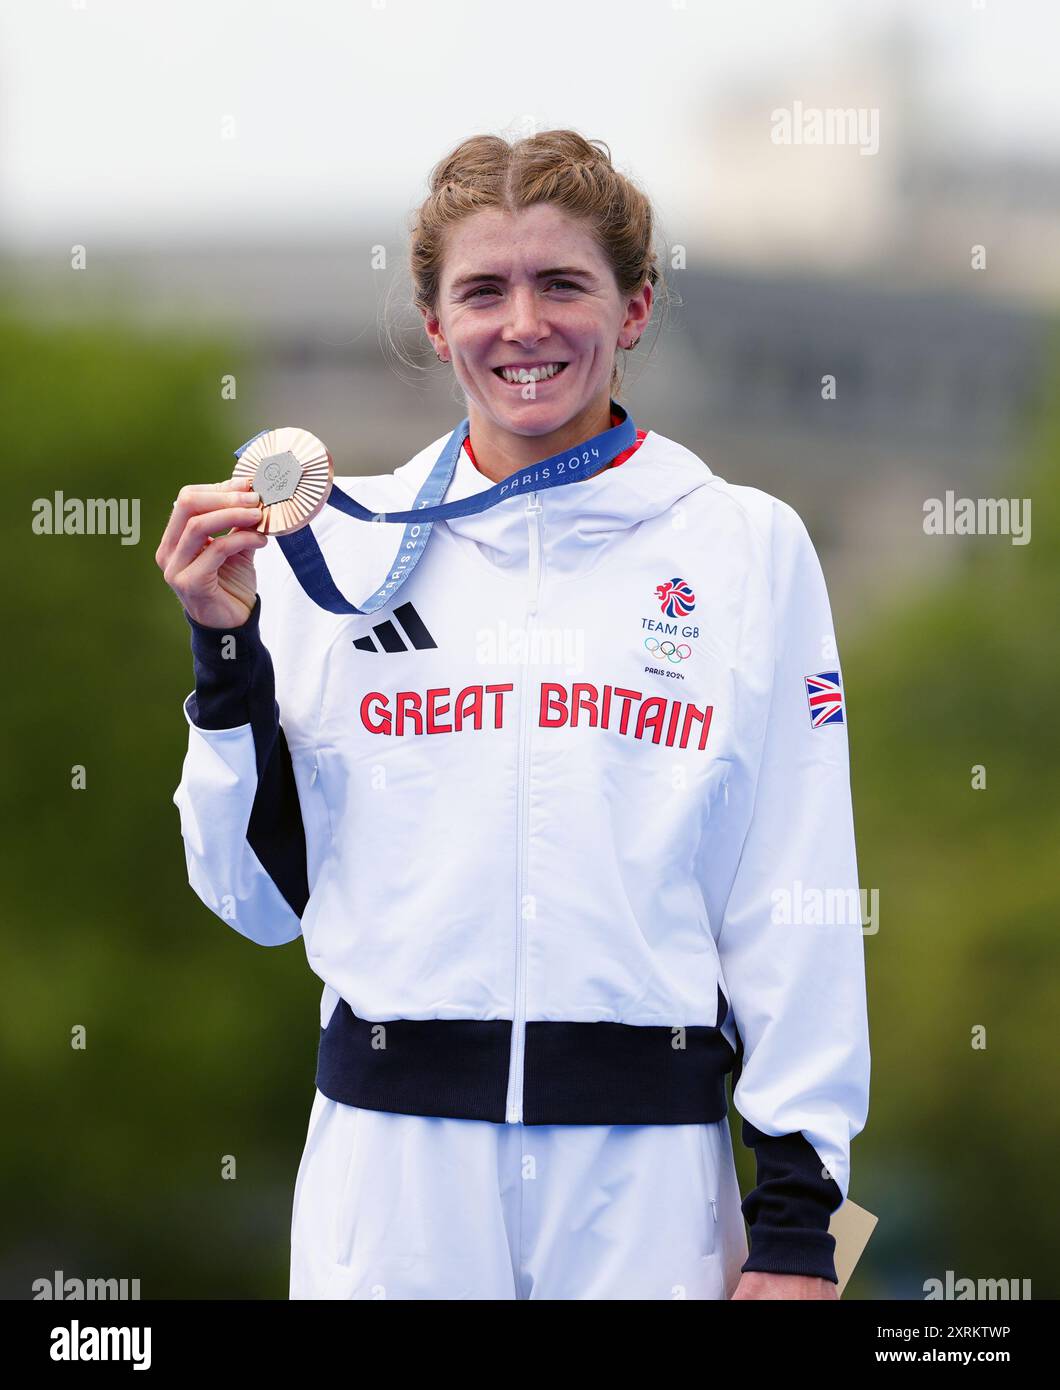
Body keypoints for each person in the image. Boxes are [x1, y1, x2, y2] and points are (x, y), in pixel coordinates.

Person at [156, 129, 870, 1301]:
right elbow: (254, 901)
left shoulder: (745, 543)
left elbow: (796, 892)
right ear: (436, 326)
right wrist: (224, 652)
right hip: (390, 1180)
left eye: (563, 284)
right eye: (482, 290)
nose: (523, 325)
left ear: (635, 308)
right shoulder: (328, 550)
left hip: (647, 1185)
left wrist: (804, 1227)